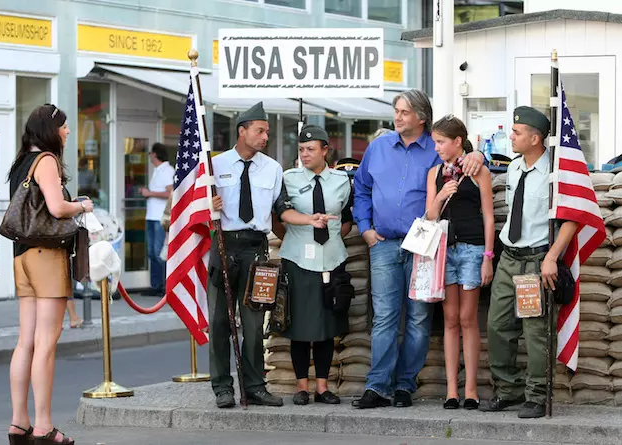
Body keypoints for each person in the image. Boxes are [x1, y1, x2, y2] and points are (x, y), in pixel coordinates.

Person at [351, 89, 485, 409]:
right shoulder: (378, 147)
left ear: (421, 118)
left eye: (404, 112)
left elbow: (463, 158)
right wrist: (366, 229)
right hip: (383, 244)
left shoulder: (434, 150)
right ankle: (378, 386)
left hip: (425, 246)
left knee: (418, 318)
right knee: (384, 316)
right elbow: (361, 189)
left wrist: (478, 154)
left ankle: (404, 386)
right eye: (396, 111)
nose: (397, 116)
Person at [208, 102, 333, 409]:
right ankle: (222, 387)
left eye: (266, 131)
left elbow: (282, 210)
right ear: (243, 131)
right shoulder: (214, 165)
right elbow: (187, 205)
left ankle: (254, 387)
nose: (265, 136)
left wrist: (308, 221)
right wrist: (205, 205)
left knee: (253, 325)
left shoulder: (273, 168)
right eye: (259, 130)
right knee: (221, 321)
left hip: (255, 249)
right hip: (224, 245)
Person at [482, 106, 578, 419]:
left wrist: (552, 257)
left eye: (517, 132)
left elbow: (572, 220)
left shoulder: (555, 174)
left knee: (536, 332)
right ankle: (508, 390)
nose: (511, 136)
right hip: (509, 257)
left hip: (536, 260)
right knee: (498, 326)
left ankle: (536, 396)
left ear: (535, 138)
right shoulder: (513, 168)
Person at [7, 104, 94, 445]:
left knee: (25, 341)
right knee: (46, 343)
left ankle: (19, 423)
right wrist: (83, 205)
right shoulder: (46, 161)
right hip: (47, 256)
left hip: (22, 256)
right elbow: (57, 208)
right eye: (64, 127)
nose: (68, 132)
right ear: (49, 129)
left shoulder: (20, 164)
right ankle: (44, 426)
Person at [272, 125, 352, 405]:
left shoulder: (341, 180)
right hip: (298, 260)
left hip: (331, 259)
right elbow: (281, 214)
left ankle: (322, 386)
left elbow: (346, 219)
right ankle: (301, 387)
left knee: (326, 327)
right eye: (301, 150)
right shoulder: (289, 179)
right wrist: (304, 228)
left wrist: (331, 239)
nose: (305, 154)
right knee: (300, 328)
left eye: (311, 149)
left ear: (325, 151)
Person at [425, 115, 495, 410]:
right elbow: (430, 216)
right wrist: (441, 195)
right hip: (444, 250)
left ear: (456, 141)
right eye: (435, 142)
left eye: (441, 142)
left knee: (468, 318)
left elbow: (489, 216)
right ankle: (452, 390)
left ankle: (471, 389)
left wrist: (488, 257)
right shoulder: (435, 173)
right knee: (450, 319)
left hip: (472, 248)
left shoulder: (478, 171)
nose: (437, 147)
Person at [139, 143, 175, 296]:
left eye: (150, 154)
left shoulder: (167, 170)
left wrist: (149, 193)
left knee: (160, 252)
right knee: (152, 252)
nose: (150, 157)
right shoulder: (158, 170)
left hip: (161, 217)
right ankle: (156, 285)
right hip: (152, 215)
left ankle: (165, 286)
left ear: (155, 154)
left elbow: (170, 193)